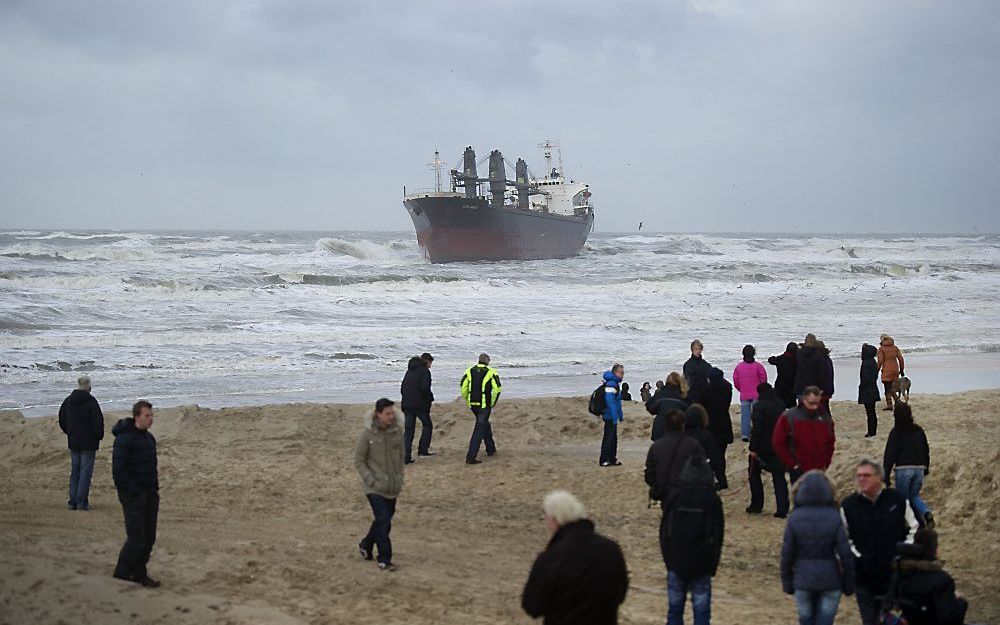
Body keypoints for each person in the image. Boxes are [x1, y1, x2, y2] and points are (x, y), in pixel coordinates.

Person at [521, 491, 629, 625]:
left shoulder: (552, 557)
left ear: (554, 520)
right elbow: (621, 594)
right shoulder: (612, 549)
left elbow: (532, 606)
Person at [840, 459, 919, 625]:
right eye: (859, 476)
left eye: (866, 475)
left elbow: (915, 527)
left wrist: (903, 553)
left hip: (895, 579)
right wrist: (858, 558)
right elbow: (843, 538)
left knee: (893, 622)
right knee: (869, 621)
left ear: (879, 478)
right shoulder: (848, 505)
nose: (861, 479)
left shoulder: (897, 500)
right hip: (864, 578)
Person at [780, 471, 856, 625]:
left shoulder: (795, 518)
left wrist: (787, 582)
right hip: (831, 580)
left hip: (803, 580)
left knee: (806, 620)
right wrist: (849, 583)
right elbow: (845, 554)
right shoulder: (834, 517)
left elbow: (787, 554)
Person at [660, 456, 724, 625]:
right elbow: (719, 535)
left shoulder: (675, 496)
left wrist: (669, 560)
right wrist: (712, 564)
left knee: (674, 611)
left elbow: (664, 532)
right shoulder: (712, 499)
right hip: (702, 563)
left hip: (677, 561)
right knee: (702, 614)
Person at [111, 400, 160, 587]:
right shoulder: (124, 439)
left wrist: (153, 490)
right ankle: (122, 573)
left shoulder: (149, 439)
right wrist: (134, 491)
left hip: (149, 492)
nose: (150, 419)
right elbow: (119, 471)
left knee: (149, 536)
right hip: (132, 494)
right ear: (137, 417)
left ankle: (139, 572)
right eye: (147, 416)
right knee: (136, 538)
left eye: (151, 415)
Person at [354, 398, 405, 571]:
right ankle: (384, 559)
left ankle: (366, 544)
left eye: (393, 413)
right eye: (388, 413)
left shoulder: (397, 432)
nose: (391, 416)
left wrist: (399, 479)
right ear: (378, 414)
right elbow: (359, 461)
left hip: (392, 487)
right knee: (384, 522)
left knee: (383, 521)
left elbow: (400, 458)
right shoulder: (367, 434)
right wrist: (370, 479)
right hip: (374, 487)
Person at [885, 529, 968, 625]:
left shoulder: (899, 575)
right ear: (935, 549)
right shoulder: (942, 580)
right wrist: (961, 603)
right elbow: (949, 619)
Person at [58, 375, 104, 511]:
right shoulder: (91, 402)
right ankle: (81, 501)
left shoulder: (68, 401)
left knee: (75, 471)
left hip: (74, 441)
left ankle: (73, 501)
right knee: (85, 473)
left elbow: (62, 419)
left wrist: (69, 432)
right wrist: (98, 436)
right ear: (88, 386)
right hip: (88, 443)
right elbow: (98, 423)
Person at [772, 386, 835, 484]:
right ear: (804, 400)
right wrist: (792, 464)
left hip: (819, 469)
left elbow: (830, 442)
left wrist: (826, 464)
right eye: (811, 403)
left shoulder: (825, 418)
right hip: (798, 469)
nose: (814, 407)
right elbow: (778, 442)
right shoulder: (789, 417)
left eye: (817, 403)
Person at [884, 403, 933, 528]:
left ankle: (912, 524)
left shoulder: (896, 432)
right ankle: (926, 513)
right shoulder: (918, 430)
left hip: (903, 468)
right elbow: (925, 449)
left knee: (903, 499)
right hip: (919, 468)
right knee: (914, 496)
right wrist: (926, 466)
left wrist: (886, 474)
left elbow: (890, 454)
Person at [747, 382, 790, 517]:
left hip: (763, 446)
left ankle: (757, 505)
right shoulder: (780, 404)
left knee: (754, 474)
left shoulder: (759, 407)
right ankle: (782, 509)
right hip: (779, 444)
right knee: (779, 477)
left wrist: (753, 448)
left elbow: (757, 430)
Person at [645, 410, 705, 504]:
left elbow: (649, 474)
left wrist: (658, 486)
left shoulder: (656, 446)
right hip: (688, 492)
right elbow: (702, 470)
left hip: (666, 493)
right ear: (683, 425)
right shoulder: (693, 445)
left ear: (665, 425)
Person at [460, 353, 502, 465]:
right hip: (484, 405)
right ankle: (471, 457)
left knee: (484, 424)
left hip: (473, 404)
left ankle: (491, 449)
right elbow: (497, 389)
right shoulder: (491, 372)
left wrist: (468, 400)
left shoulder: (469, 371)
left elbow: (463, 387)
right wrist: (492, 403)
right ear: (488, 361)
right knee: (479, 429)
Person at [701, 367, 734, 490]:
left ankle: (719, 479)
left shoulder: (707, 391)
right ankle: (721, 478)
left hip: (711, 425)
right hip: (724, 422)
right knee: (721, 454)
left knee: (712, 455)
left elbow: (702, 404)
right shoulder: (727, 388)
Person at [400, 352, 435, 464]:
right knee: (427, 425)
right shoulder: (425, 372)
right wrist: (430, 398)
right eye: (430, 363)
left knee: (409, 430)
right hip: (419, 404)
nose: (430, 366)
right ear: (427, 361)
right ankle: (423, 450)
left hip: (406, 403)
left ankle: (406, 457)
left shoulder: (409, 371)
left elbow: (402, 387)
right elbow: (425, 388)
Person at [683, 404, 725, 490]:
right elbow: (714, 457)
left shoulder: (681, 434)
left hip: (682, 473)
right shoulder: (705, 435)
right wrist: (721, 480)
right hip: (701, 473)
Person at [733, 344, 768, 442]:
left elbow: (736, 381)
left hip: (744, 394)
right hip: (757, 394)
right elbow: (763, 379)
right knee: (757, 415)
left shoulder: (739, 367)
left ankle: (745, 435)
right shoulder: (758, 366)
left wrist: (741, 389)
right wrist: (761, 391)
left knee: (745, 416)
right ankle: (757, 432)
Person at [648, 372, 689, 442]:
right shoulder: (683, 394)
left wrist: (660, 409)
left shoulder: (661, 393)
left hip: (660, 430)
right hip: (679, 430)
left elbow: (650, 407)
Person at [600, 364, 625, 467]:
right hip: (609, 416)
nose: (623, 375)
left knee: (613, 439)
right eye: (621, 372)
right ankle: (604, 460)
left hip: (612, 416)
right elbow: (610, 401)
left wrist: (620, 415)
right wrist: (615, 416)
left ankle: (612, 459)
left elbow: (617, 402)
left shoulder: (615, 383)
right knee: (608, 438)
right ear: (615, 373)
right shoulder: (611, 384)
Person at [793, 334, 828, 401]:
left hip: (800, 384)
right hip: (813, 385)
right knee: (812, 407)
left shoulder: (799, 353)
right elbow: (821, 373)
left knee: (801, 406)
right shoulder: (818, 355)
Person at [877, 334, 905, 411]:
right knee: (892, 387)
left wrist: (876, 371)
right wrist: (902, 370)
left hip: (886, 370)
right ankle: (893, 403)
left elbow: (880, 361)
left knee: (887, 388)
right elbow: (901, 359)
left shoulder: (881, 349)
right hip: (895, 369)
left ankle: (895, 401)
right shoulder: (895, 348)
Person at [858, 344, 881, 437]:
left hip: (868, 389)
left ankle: (871, 432)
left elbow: (865, 378)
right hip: (873, 388)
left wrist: (862, 387)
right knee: (872, 412)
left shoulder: (866, 363)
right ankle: (872, 431)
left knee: (870, 412)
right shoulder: (873, 362)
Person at [768, 342, 799, 408]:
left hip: (780, 386)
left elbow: (770, 360)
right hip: (792, 387)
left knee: (780, 407)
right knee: (792, 408)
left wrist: (773, 357)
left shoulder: (781, 359)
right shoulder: (797, 360)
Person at [816, 341, 835, 415]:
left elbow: (820, 375)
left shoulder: (820, 360)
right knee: (825, 407)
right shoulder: (827, 359)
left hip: (823, 389)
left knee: (823, 408)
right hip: (828, 388)